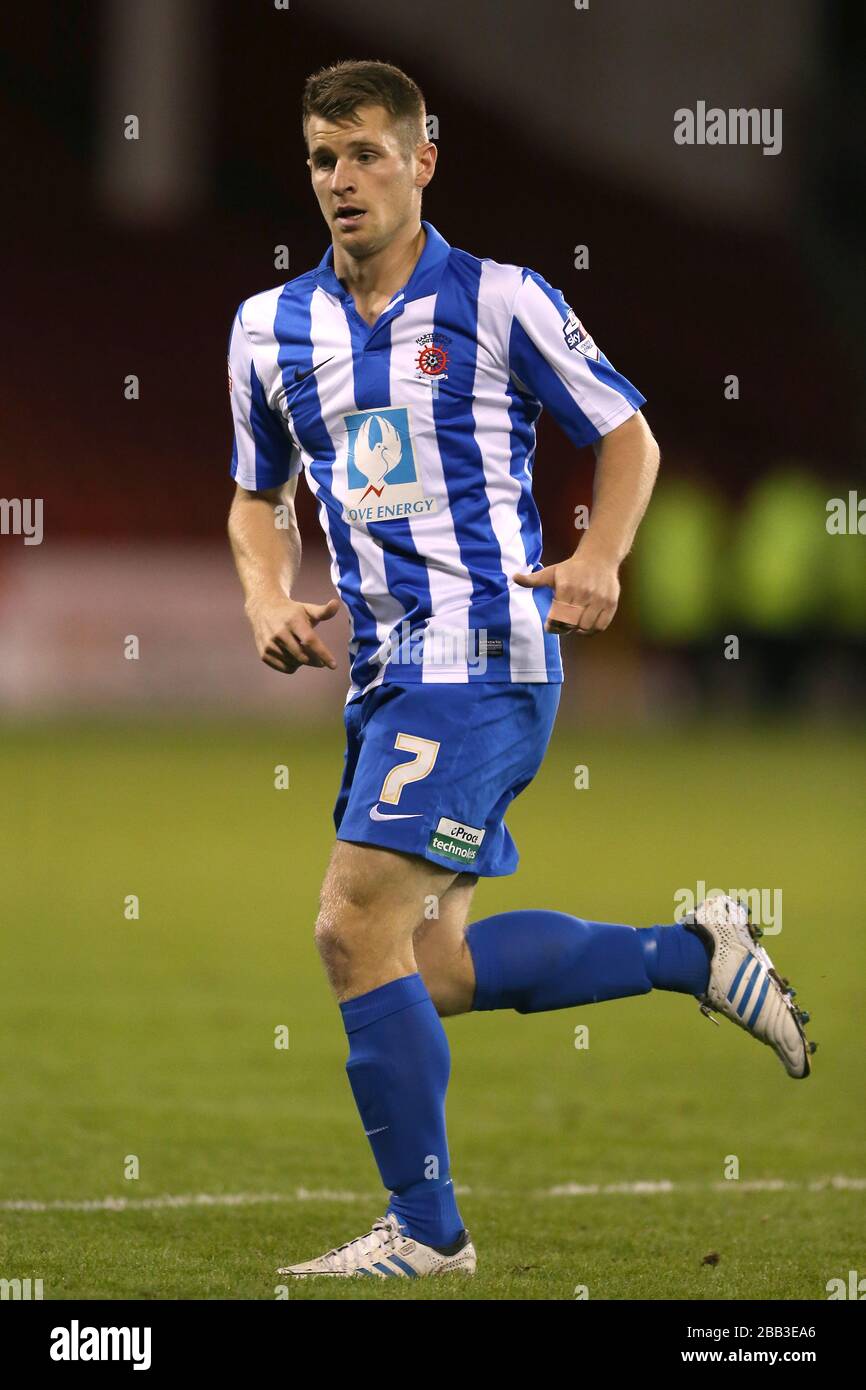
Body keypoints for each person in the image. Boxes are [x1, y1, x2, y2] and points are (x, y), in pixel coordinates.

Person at [227, 59, 813, 1282]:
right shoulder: (267, 327)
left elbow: (626, 435)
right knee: (428, 964)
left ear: (421, 162)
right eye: (323, 160)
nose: (342, 181)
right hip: (386, 675)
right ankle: (692, 955)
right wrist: (265, 591)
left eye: (368, 155)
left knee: (348, 927)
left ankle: (427, 1231)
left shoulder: (501, 302)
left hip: (486, 658)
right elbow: (252, 496)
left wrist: (599, 557)